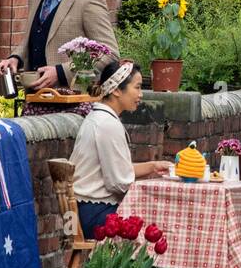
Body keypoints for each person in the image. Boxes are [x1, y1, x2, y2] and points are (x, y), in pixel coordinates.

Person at [69, 58, 173, 239]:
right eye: (138, 87)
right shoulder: (107, 124)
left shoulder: (98, 117)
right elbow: (119, 182)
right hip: (95, 214)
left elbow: (118, 173)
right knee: (162, 226)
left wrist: (152, 167)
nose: (141, 94)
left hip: (84, 211)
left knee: (159, 221)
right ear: (117, 90)